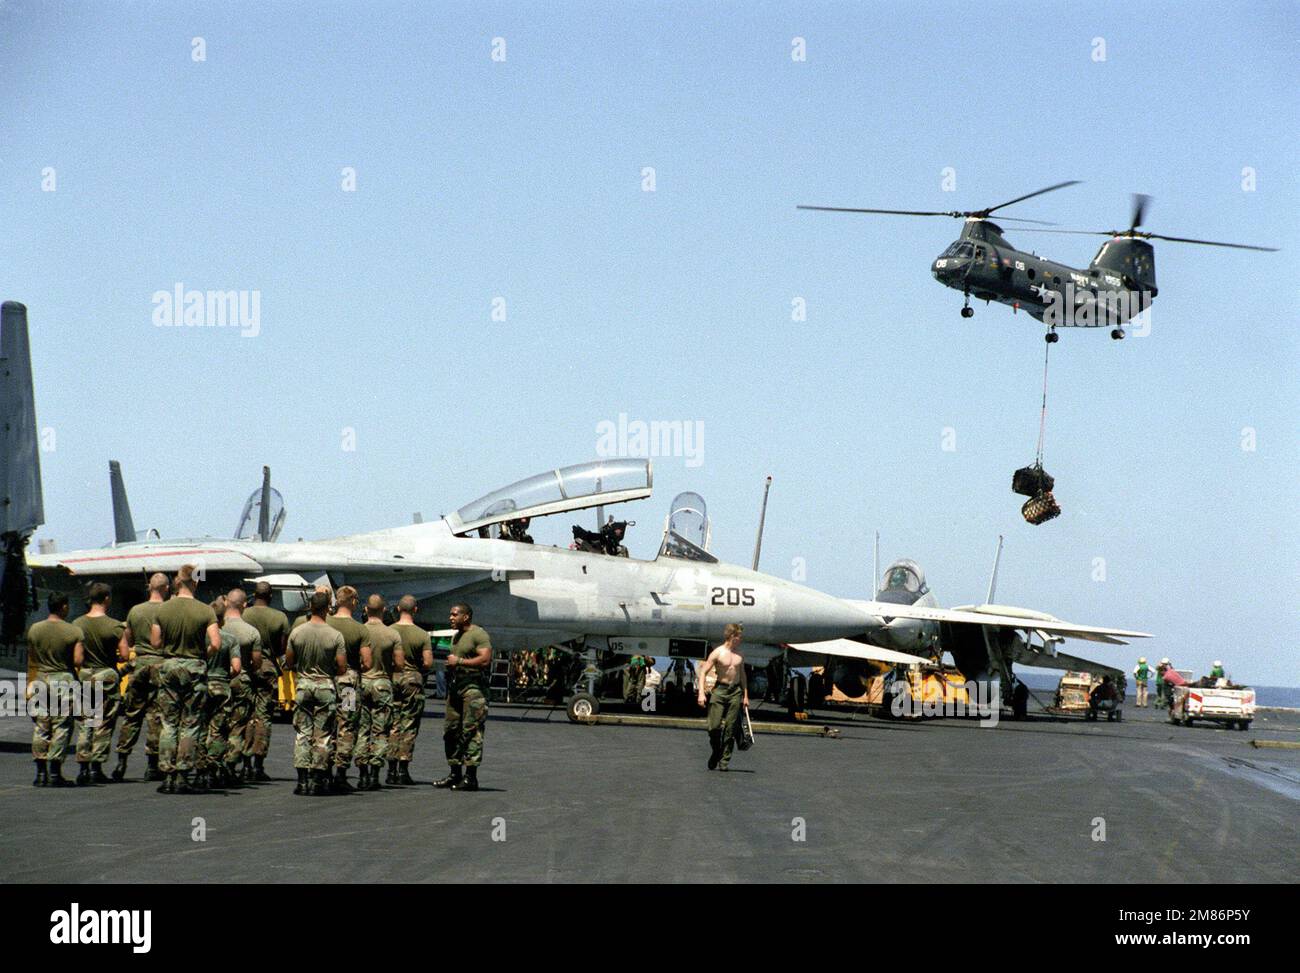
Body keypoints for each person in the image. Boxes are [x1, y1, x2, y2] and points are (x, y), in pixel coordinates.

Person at [151, 564, 221, 794]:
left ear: (177, 582)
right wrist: (202, 655)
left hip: (170, 665)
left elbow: (156, 643)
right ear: (196, 582)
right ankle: (182, 774)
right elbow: (216, 644)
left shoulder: (162, 610)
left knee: (169, 723)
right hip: (195, 667)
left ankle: (167, 773)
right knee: (190, 724)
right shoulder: (205, 611)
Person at [287, 589, 347, 796]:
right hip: (325, 686)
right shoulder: (335, 635)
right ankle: (318, 780)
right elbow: (342, 667)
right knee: (322, 735)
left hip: (304, 685)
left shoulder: (297, 632)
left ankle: (302, 780)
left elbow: (289, 661)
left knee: (302, 733)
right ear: (327, 608)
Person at [113, 572, 170, 781]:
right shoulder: (168, 610)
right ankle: (152, 766)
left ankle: (121, 762)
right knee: (156, 717)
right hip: (160, 665)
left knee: (132, 716)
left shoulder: (135, 611)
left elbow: (127, 639)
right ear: (165, 588)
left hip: (140, 666)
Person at [72, 582, 126, 785]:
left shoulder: (77, 624)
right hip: (107, 676)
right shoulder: (115, 626)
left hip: (85, 675)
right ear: (106, 599)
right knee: (103, 723)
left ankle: (83, 767)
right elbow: (125, 654)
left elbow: (76, 656)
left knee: (86, 722)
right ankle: (96, 767)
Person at [28, 592, 84, 787]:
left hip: (42, 677)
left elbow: (33, 656)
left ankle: (40, 772)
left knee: (42, 725)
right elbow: (78, 661)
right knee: (62, 726)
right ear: (64, 607)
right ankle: (55, 771)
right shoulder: (74, 631)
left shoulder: (35, 629)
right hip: (64, 679)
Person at [435, 602, 491, 792]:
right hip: (456, 688)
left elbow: (485, 659)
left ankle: (471, 777)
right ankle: (454, 772)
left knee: (471, 731)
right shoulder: (457, 636)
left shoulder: (478, 634)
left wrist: (459, 661)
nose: (451, 618)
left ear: (465, 616)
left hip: (473, 689)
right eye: (450, 614)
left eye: (454, 615)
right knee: (451, 730)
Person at [241, 581, 290, 782]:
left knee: (243, 715)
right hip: (267, 668)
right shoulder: (279, 617)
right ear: (270, 596)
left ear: (254, 595)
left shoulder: (243, 615)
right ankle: (258, 765)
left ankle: (243, 763)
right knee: (263, 716)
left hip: (244, 668)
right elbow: (282, 648)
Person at [327, 586, 370, 793]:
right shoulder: (360, 629)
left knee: (325, 723)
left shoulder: (324, 623)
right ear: (353, 601)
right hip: (348, 685)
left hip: (326, 680)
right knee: (346, 725)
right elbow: (367, 661)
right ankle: (341, 772)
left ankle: (323, 769)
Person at [357, 594, 400, 791]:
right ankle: (374, 773)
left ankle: (362, 773)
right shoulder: (392, 634)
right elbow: (399, 664)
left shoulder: (359, 630)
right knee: (380, 730)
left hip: (361, 682)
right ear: (383, 610)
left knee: (362, 729)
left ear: (366, 610)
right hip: (382, 683)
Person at [198, 596, 242, 790]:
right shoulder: (230, 639)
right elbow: (237, 668)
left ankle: (200, 769)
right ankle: (213, 767)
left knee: (199, 728)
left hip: (203, 685)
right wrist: (224, 674)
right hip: (222, 686)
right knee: (218, 730)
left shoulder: (200, 638)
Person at [389, 595, 433, 785]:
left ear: (398, 608)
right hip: (412, 680)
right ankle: (403, 770)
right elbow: (428, 662)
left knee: (392, 724)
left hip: (392, 679)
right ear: (415, 610)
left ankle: (390, 769)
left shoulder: (389, 631)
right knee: (409, 725)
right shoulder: (422, 635)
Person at [220, 589, 262, 783]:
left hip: (217, 680)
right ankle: (231, 765)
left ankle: (213, 764)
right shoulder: (251, 632)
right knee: (238, 725)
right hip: (242, 680)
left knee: (217, 724)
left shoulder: (215, 629)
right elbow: (257, 663)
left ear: (226, 602)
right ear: (245, 605)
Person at [697, 623, 749, 771]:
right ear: (732, 636)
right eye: (739, 637)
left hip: (735, 692)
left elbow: (743, 674)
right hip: (720, 690)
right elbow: (703, 672)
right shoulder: (717, 653)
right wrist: (701, 693)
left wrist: (745, 695)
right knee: (713, 727)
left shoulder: (740, 654)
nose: (741, 639)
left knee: (730, 728)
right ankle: (716, 751)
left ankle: (724, 760)